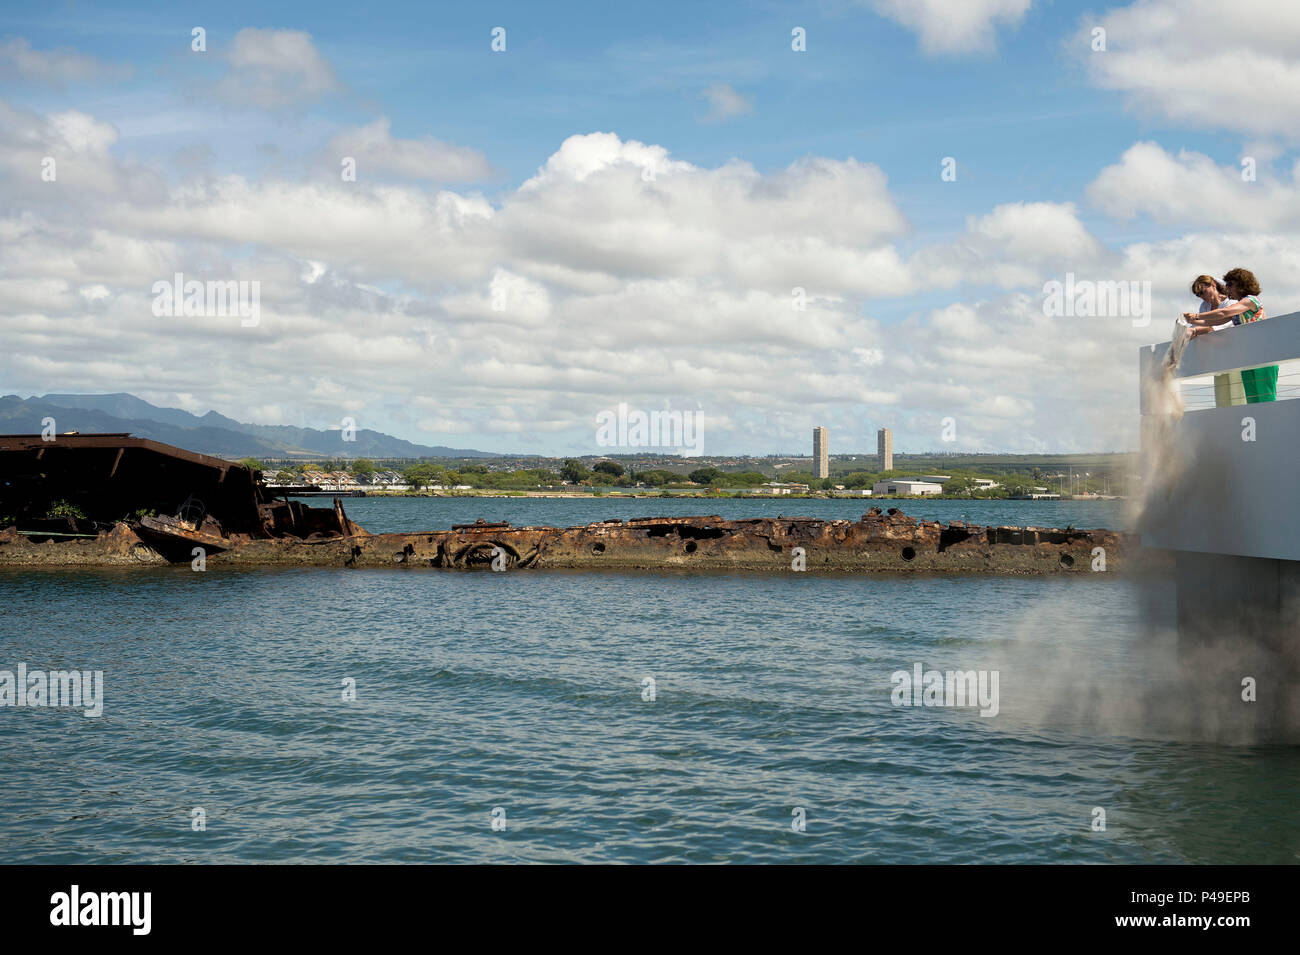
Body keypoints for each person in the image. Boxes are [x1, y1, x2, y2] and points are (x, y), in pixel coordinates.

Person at [1181, 268, 1276, 404]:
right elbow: (1216, 321)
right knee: (1253, 402)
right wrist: (1190, 322)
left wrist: (1196, 316)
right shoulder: (1238, 305)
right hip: (1249, 358)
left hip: (1263, 356)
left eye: (1230, 284)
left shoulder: (1251, 301)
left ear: (1241, 284)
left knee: (1267, 399)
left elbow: (1223, 313)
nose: (1227, 288)